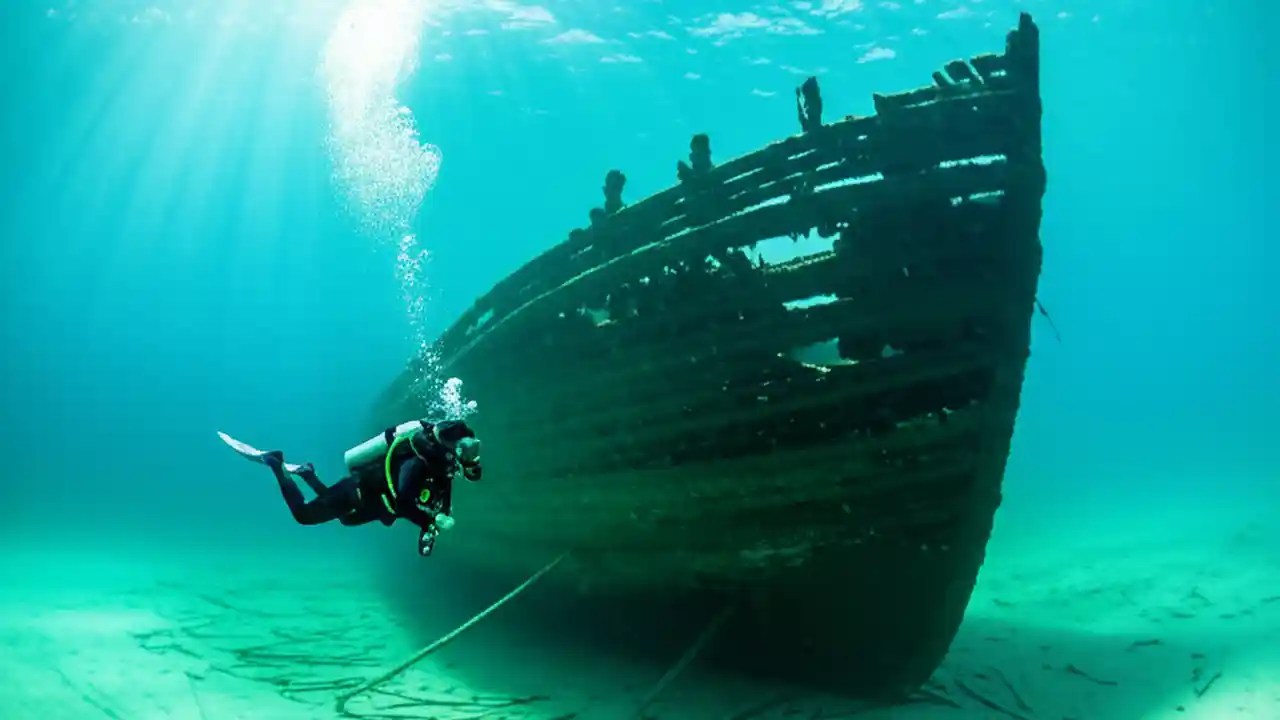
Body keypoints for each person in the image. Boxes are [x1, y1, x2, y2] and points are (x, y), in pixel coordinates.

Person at [259, 419, 482, 557]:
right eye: (468, 450)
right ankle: (276, 463)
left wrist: (431, 529)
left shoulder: (442, 466)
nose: (473, 456)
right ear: (453, 448)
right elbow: (404, 503)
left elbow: (444, 496)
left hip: (376, 505)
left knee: (345, 519)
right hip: (358, 491)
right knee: (304, 516)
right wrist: (427, 523)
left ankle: (308, 474)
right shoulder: (418, 463)